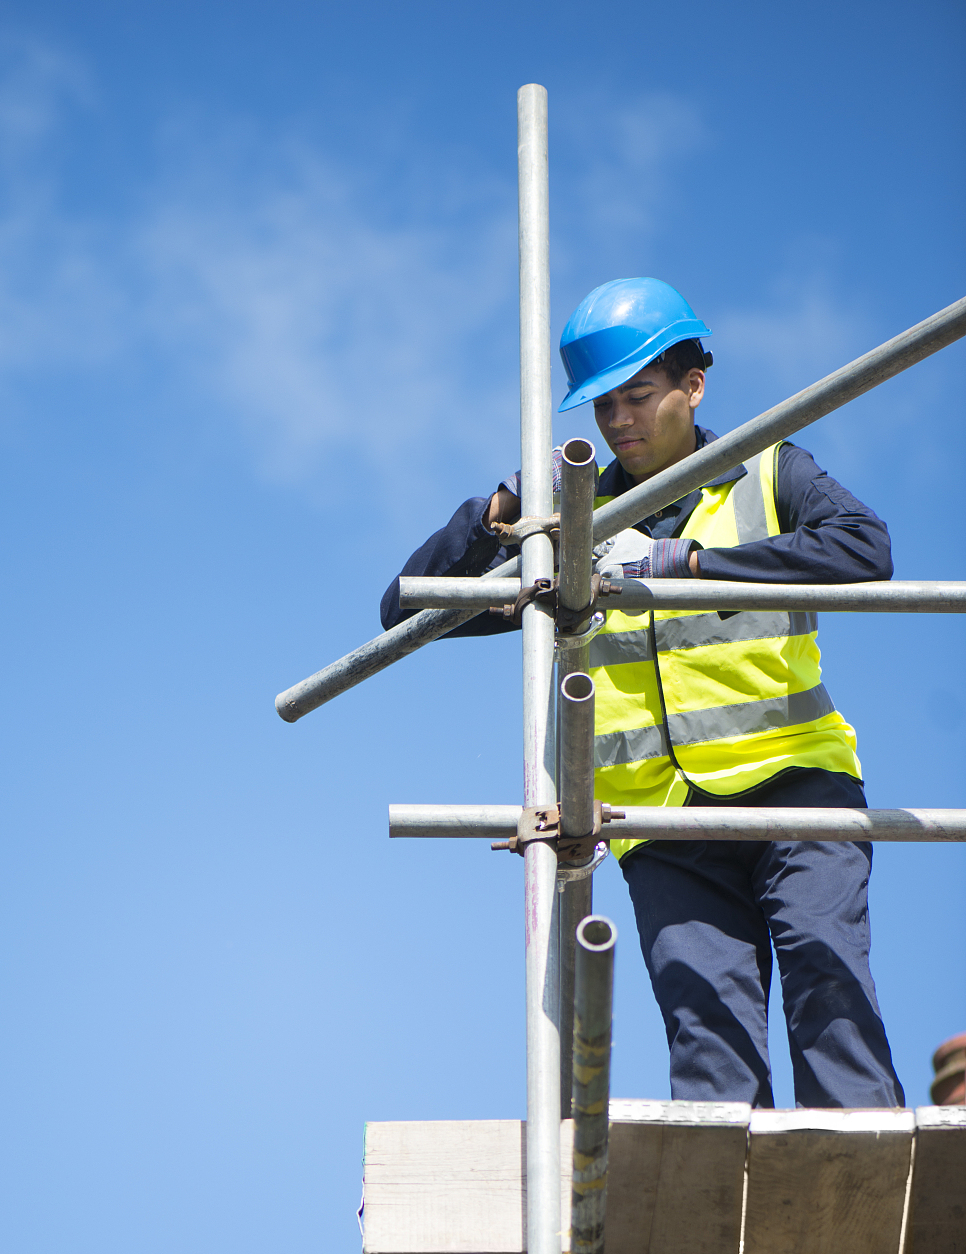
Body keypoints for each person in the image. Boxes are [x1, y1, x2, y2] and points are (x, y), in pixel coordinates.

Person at [381, 276, 903, 1108]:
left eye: (636, 396)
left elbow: (861, 548)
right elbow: (408, 608)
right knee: (707, 1025)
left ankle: (861, 1169)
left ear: (692, 387)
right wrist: (501, 510)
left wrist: (688, 569)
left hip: (795, 784)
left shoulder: (767, 469)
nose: (617, 421)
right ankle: (725, 1208)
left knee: (822, 967)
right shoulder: (571, 527)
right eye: (600, 406)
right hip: (657, 820)